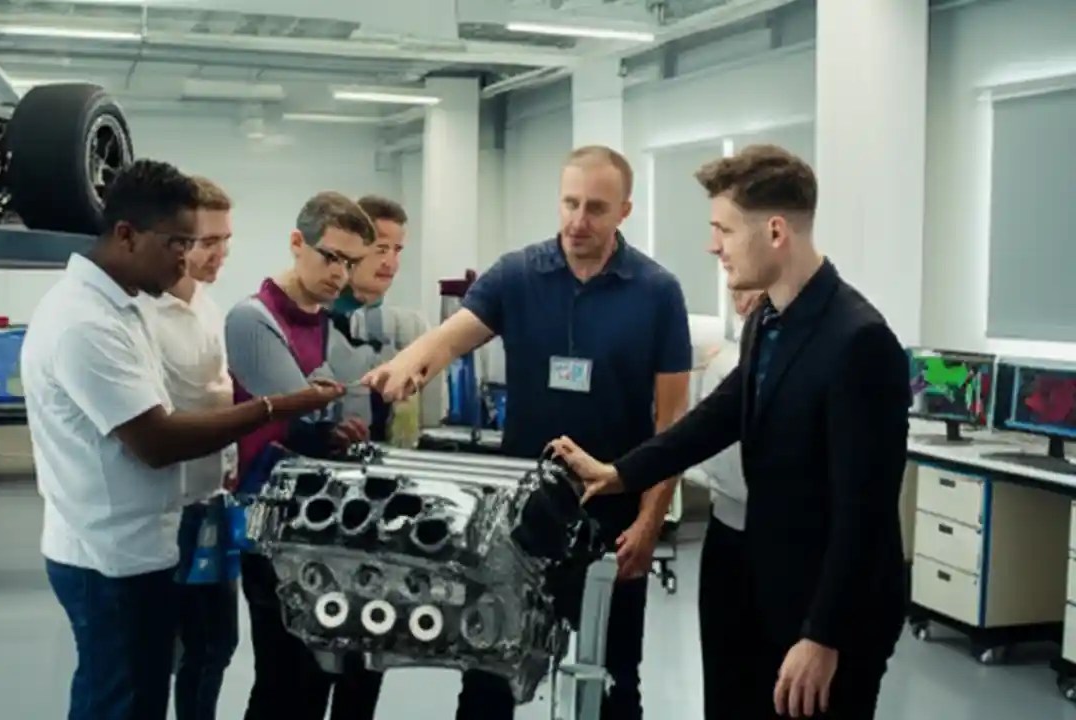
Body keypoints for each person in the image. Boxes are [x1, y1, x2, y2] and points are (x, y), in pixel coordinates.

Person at [550, 144, 911, 720]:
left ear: (774, 231)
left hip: (823, 606)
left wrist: (823, 635)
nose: (711, 245)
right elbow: (720, 414)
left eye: (723, 229)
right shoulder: (770, 317)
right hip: (750, 576)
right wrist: (621, 473)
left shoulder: (859, 343)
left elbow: (864, 511)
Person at [361, 145, 693, 720]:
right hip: (519, 516)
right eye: (569, 203)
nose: (577, 220)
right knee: (488, 677)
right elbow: (453, 335)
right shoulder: (519, 274)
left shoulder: (656, 292)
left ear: (624, 211)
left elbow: (672, 423)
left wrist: (649, 520)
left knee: (614, 680)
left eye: (595, 208)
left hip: (611, 516)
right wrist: (410, 364)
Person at [21, 159, 344, 720]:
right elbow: (156, 440)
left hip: (147, 539)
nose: (188, 258)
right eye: (179, 243)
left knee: (146, 688)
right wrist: (275, 407)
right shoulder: (85, 322)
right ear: (127, 235)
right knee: (118, 700)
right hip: (107, 554)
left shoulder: (124, 307)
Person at [224, 190, 377, 720]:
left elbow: (326, 414)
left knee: (321, 675)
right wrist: (331, 416)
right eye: (330, 257)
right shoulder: (253, 318)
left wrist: (339, 423)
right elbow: (300, 415)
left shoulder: (322, 321)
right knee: (283, 677)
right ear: (296, 243)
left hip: (314, 520)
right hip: (267, 519)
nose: (341, 273)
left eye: (351, 263)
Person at [139, 175, 239, 720]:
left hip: (210, 502)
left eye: (226, 240)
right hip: (163, 510)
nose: (220, 254)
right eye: (208, 242)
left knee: (216, 645)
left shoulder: (209, 306)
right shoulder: (143, 318)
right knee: (163, 653)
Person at [691, 288, 762, 720]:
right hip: (727, 534)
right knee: (725, 679)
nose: (742, 299)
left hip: (782, 544)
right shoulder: (728, 363)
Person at [330, 194, 437, 443]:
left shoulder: (410, 329)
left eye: (396, 250)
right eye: (380, 249)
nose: (390, 262)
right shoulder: (315, 326)